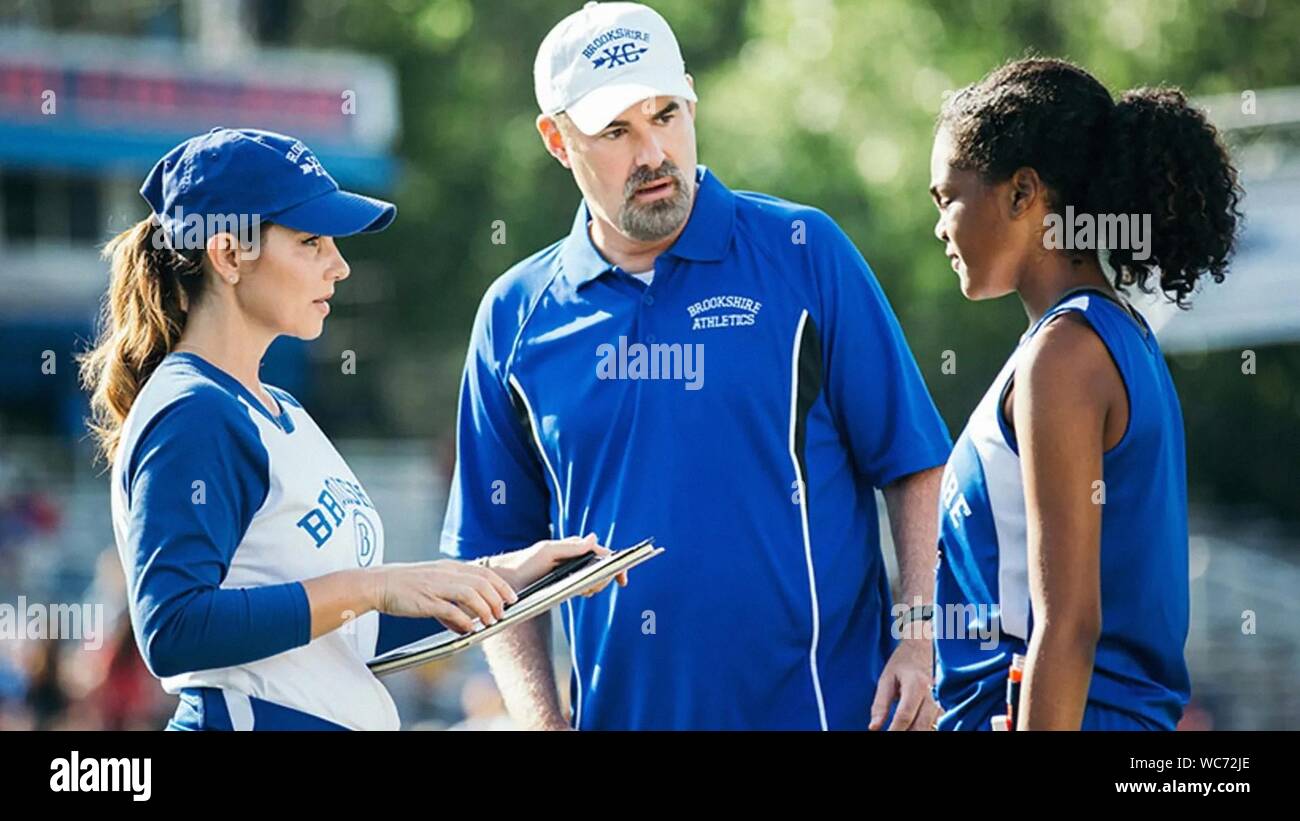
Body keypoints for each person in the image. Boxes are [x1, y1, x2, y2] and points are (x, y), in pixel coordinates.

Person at [441, 2, 951, 730]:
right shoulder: (513, 317)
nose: (652, 153)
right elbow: (492, 555)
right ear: (557, 139)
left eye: (666, 115)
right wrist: (541, 722)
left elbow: (912, 463)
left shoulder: (806, 252)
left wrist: (918, 639)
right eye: (616, 130)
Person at [80, 127, 609, 730]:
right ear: (228, 255)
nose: (339, 265)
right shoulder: (194, 409)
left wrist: (503, 577)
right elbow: (173, 629)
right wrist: (369, 586)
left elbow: (337, 633)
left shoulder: (276, 408)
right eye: (310, 241)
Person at [927, 58, 1242, 729]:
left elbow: (1067, 624)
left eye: (946, 197)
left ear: (1022, 194)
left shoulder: (1064, 357)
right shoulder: (1106, 336)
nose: (940, 227)